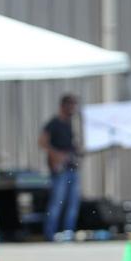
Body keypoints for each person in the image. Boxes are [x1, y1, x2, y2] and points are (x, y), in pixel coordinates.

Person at [40, 93, 82, 241]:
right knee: (57, 203)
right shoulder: (54, 123)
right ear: (63, 106)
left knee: (72, 203)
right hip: (60, 170)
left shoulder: (70, 124)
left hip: (72, 169)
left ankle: (68, 232)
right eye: (71, 105)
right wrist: (57, 155)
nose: (73, 108)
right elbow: (42, 142)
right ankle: (50, 233)